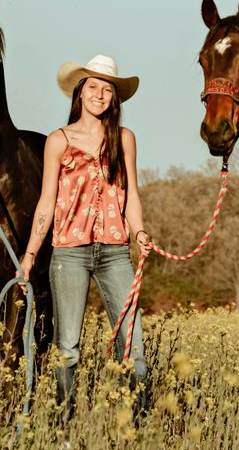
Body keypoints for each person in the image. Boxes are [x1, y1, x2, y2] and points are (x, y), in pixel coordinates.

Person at [18, 54, 152, 420]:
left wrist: (139, 232)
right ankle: (65, 423)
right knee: (68, 347)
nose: (99, 95)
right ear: (80, 92)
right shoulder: (58, 141)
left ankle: (136, 424)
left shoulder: (124, 139)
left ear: (114, 98)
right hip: (69, 253)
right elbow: (46, 201)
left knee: (134, 347)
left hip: (114, 251)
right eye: (93, 87)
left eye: (107, 90)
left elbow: (132, 194)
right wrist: (30, 255)